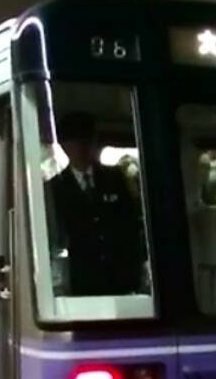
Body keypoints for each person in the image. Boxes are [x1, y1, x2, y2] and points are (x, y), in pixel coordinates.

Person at [48, 112, 144, 296]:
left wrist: (135, 273)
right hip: (79, 284)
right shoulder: (55, 187)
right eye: (76, 142)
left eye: (87, 141)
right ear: (65, 146)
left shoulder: (114, 178)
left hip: (120, 281)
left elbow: (130, 226)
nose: (83, 148)